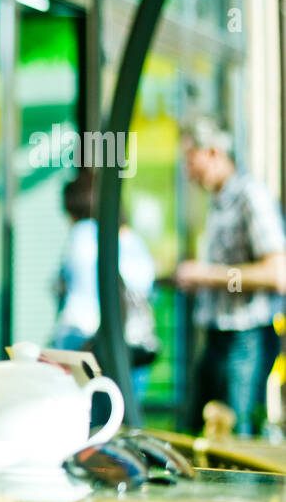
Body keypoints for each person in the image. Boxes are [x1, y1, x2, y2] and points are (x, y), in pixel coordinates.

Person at [175, 118, 286, 435]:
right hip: (219, 334)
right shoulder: (219, 202)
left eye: (190, 160)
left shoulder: (251, 197)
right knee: (199, 433)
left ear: (212, 152)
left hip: (245, 337)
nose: (188, 171)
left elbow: (276, 274)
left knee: (236, 437)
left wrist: (207, 276)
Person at [51, 168, 158, 402]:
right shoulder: (133, 240)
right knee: (122, 418)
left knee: (86, 422)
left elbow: (79, 303)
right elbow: (147, 289)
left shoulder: (83, 235)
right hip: (133, 346)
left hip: (88, 343)